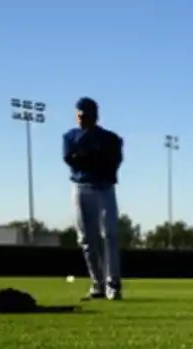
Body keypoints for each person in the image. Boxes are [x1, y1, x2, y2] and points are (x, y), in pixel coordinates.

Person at [63, 97, 125, 301]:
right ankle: (97, 284)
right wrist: (93, 157)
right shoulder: (71, 136)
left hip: (104, 188)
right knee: (86, 239)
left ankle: (112, 283)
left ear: (94, 116)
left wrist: (88, 158)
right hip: (80, 187)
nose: (82, 119)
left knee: (110, 234)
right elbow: (71, 159)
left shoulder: (109, 138)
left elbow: (112, 161)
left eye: (86, 115)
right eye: (79, 115)